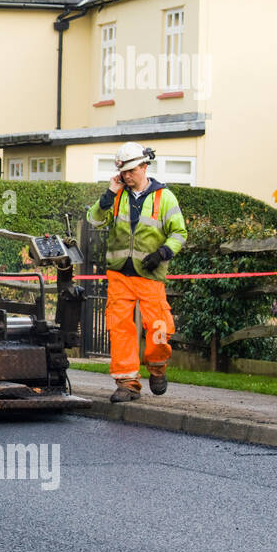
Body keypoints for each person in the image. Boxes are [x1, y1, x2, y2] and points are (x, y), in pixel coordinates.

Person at [86, 142, 188, 402]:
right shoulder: (116, 196)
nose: (127, 176)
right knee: (120, 327)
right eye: (123, 172)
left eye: (131, 171)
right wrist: (108, 194)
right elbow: (93, 219)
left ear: (144, 167)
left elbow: (179, 232)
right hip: (120, 274)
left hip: (150, 274)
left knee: (158, 327)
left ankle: (157, 367)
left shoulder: (164, 197)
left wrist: (164, 253)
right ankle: (127, 383)